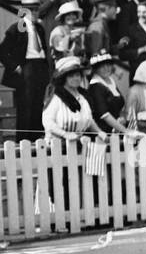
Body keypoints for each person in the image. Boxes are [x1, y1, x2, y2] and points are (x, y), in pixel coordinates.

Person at [41, 56, 101, 211]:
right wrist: (65, 134)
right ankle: (63, 217)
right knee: (62, 185)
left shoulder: (82, 96)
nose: (76, 78)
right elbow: (48, 122)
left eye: (78, 75)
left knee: (85, 182)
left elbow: (88, 118)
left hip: (80, 146)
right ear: (64, 78)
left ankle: (84, 214)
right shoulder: (56, 97)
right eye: (71, 75)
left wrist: (99, 132)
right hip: (58, 147)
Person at [0, 0, 51, 137]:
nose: (34, 13)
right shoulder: (17, 27)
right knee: (26, 105)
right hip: (26, 67)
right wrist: (15, 67)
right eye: (30, 10)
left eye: (36, 9)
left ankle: (36, 139)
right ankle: (23, 141)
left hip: (40, 67)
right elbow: (1, 51)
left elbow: (44, 49)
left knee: (38, 104)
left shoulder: (39, 28)